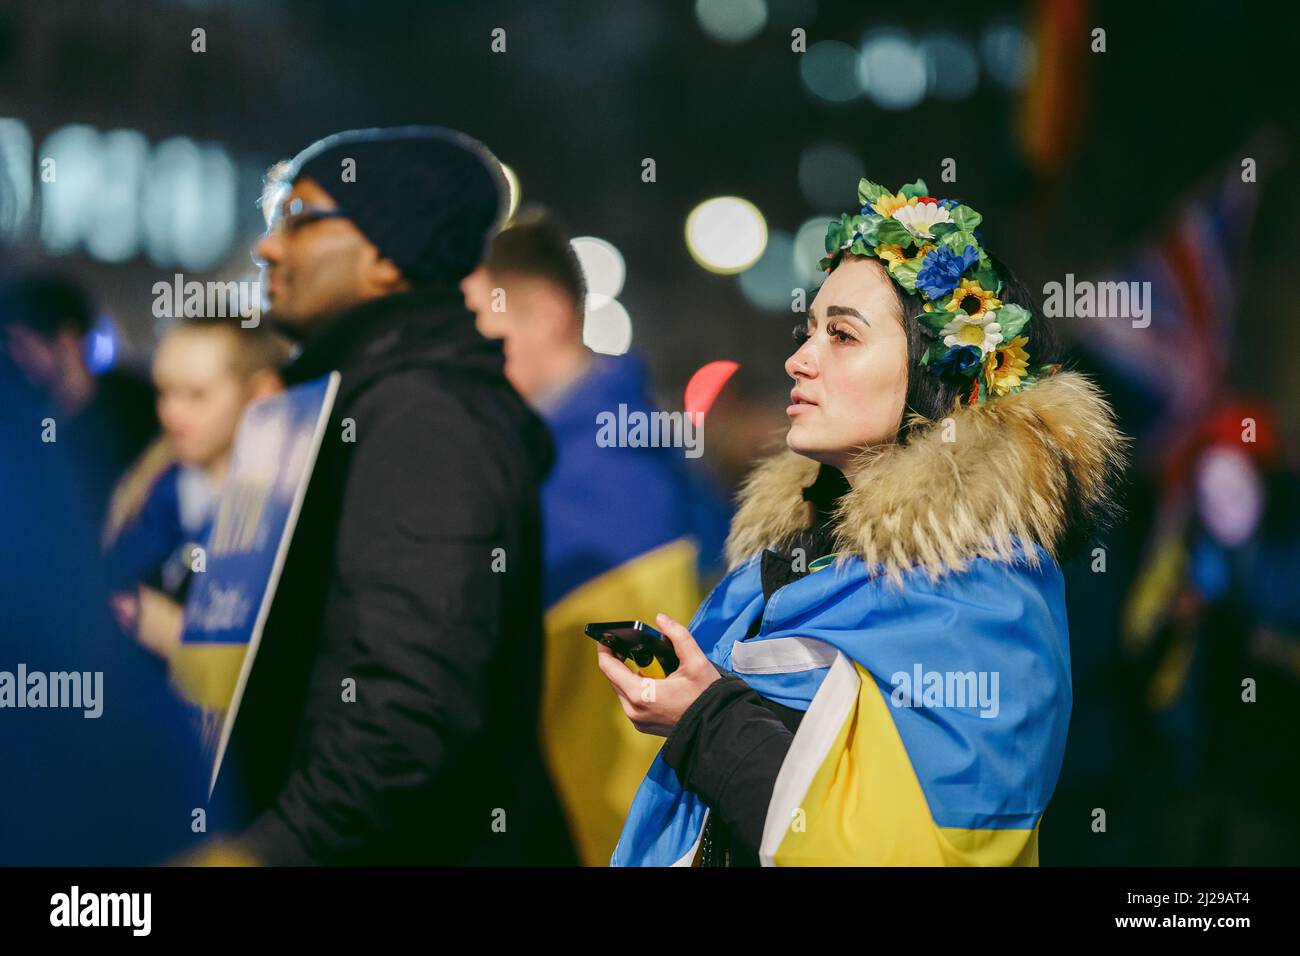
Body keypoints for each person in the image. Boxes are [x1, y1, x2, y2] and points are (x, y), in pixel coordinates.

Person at [603, 177, 1126, 866]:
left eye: (843, 335)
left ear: (938, 371)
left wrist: (703, 722)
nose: (799, 359)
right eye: (808, 331)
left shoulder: (985, 601)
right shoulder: (795, 558)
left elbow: (916, 855)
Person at [208, 126, 565, 865]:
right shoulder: (367, 400)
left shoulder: (423, 421)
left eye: (300, 219)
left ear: (383, 255)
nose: (269, 248)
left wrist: (261, 856)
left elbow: (402, 711)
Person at [462, 208, 730, 865]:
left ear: (546, 314)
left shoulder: (600, 474)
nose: (463, 346)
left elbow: (636, 716)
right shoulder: (604, 441)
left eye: (477, 319)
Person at [103, 318, 289, 660]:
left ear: (263, 394)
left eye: (196, 395)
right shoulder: (147, 489)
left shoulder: (285, 511)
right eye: (164, 392)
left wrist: (176, 637)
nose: (171, 413)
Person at [0, 271, 157, 522]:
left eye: (23, 344)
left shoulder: (135, 407)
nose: (17, 357)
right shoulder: (29, 413)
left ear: (66, 340)